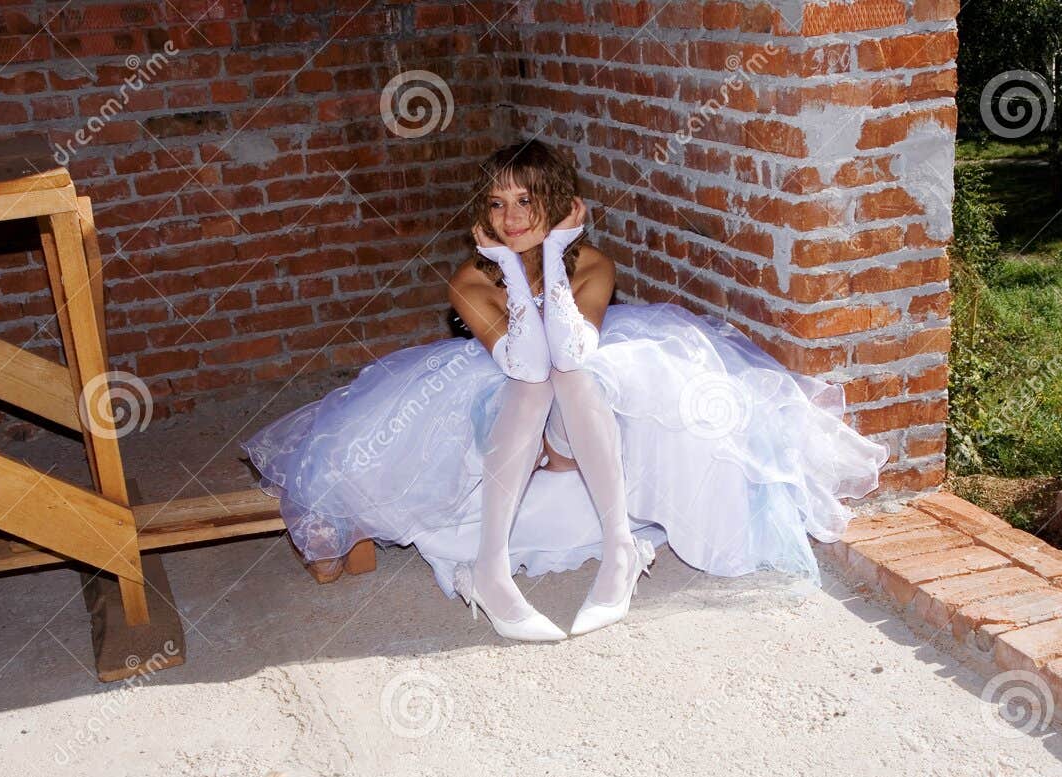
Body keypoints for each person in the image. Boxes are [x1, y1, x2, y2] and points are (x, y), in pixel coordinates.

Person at [240, 140, 889, 641]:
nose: (511, 216)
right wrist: (512, 274)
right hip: (504, 398)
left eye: (526, 201)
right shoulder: (471, 278)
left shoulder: (594, 265)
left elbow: (572, 349)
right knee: (532, 385)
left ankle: (616, 553)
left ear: (556, 204)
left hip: (579, 394)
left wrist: (554, 259)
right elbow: (524, 363)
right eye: (497, 204)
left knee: (573, 371)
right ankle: (493, 572)